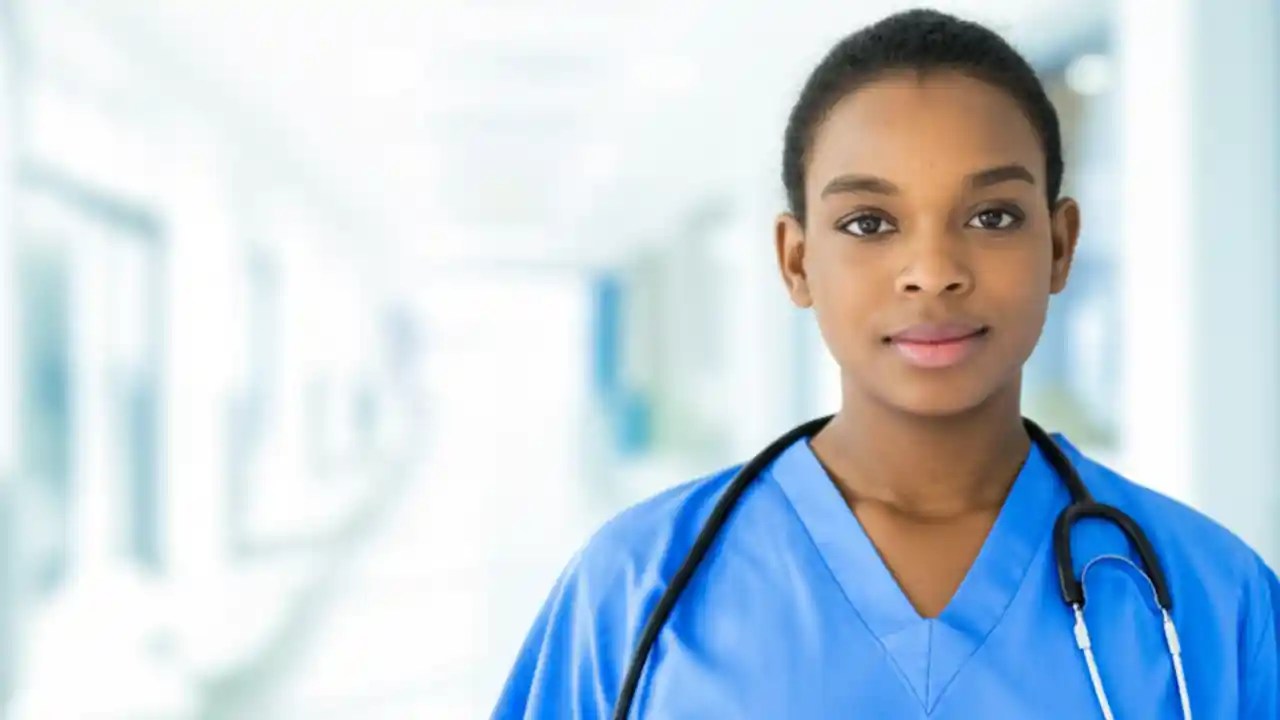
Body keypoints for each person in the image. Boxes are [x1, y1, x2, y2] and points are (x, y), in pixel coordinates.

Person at [492, 8, 1280, 718]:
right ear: (796, 262)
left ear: (1061, 246)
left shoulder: (1212, 595)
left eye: (992, 215)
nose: (932, 269)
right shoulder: (636, 588)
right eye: (870, 223)